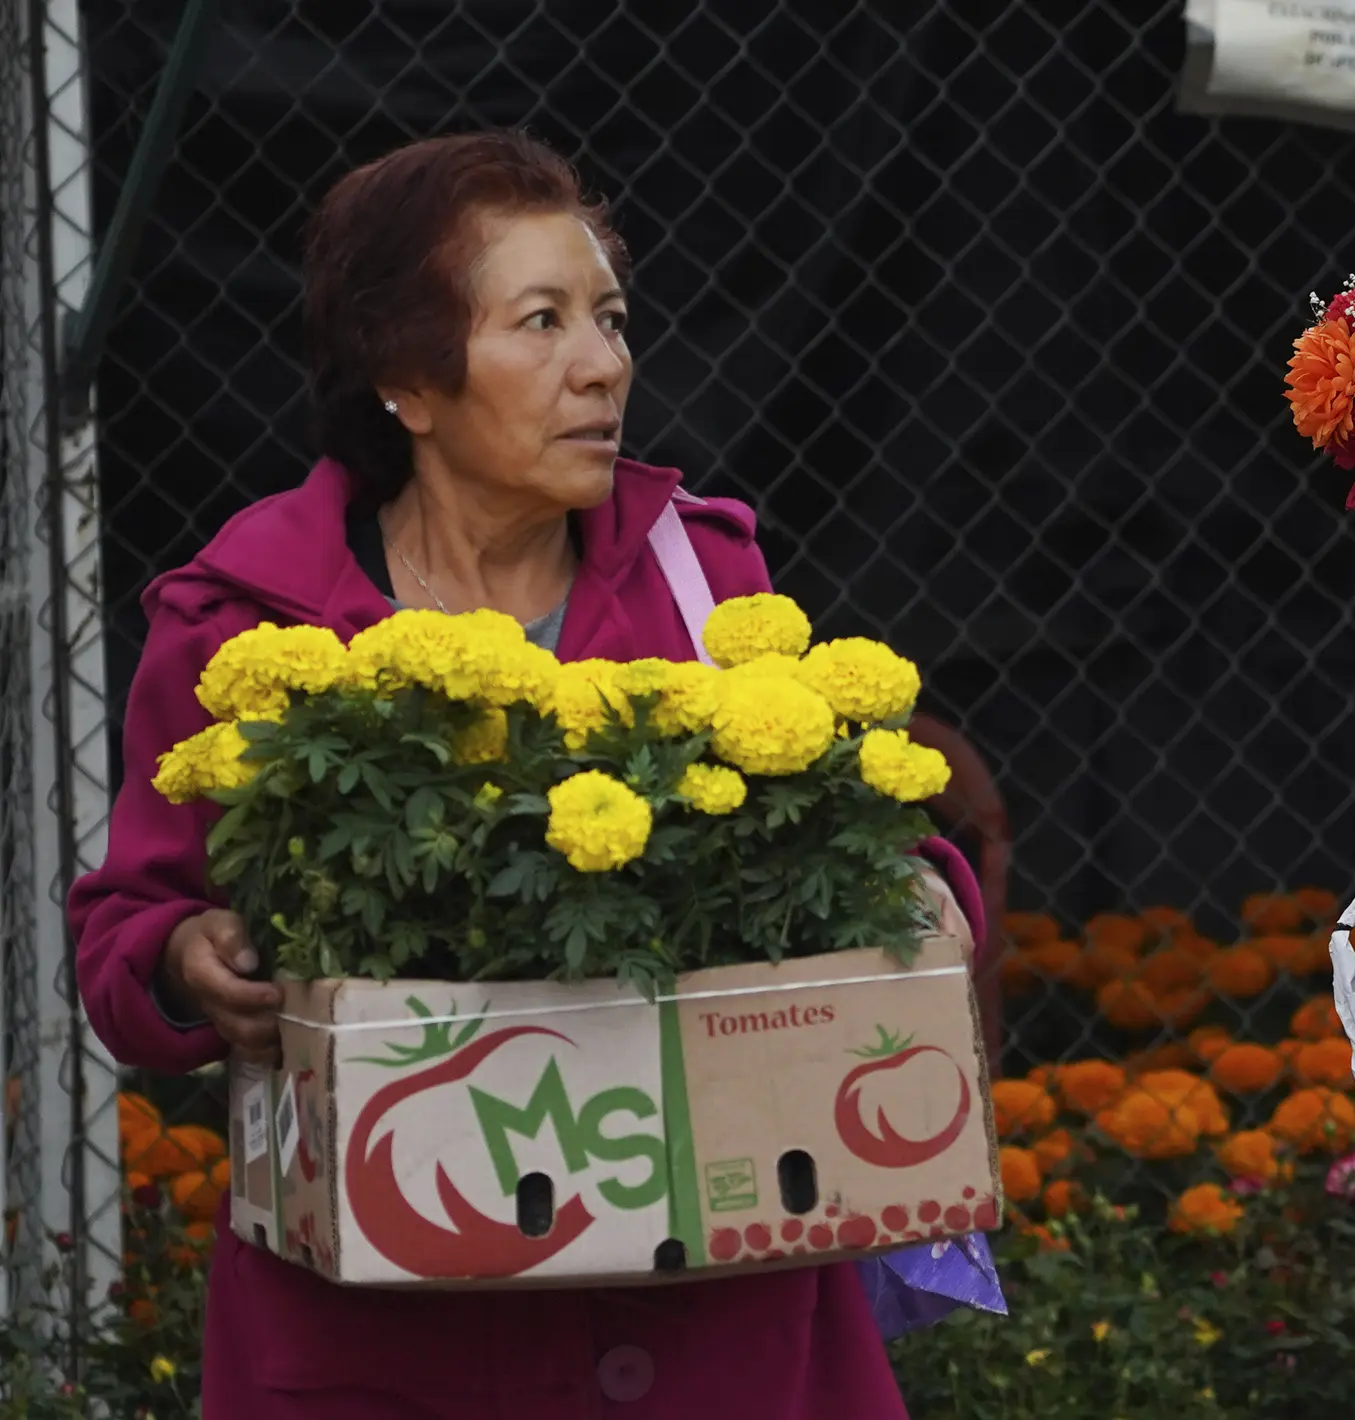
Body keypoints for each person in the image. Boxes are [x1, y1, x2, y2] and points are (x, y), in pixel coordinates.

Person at [68, 132, 937, 1419]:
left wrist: (921, 898)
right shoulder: (248, 624)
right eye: (541, 322)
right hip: (395, 1344)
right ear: (408, 381)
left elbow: (847, 843)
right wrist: (189, 959)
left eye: (610, 319)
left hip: (707, 1333)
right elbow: (126, 932)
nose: (603, 366)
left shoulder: (704, 580)